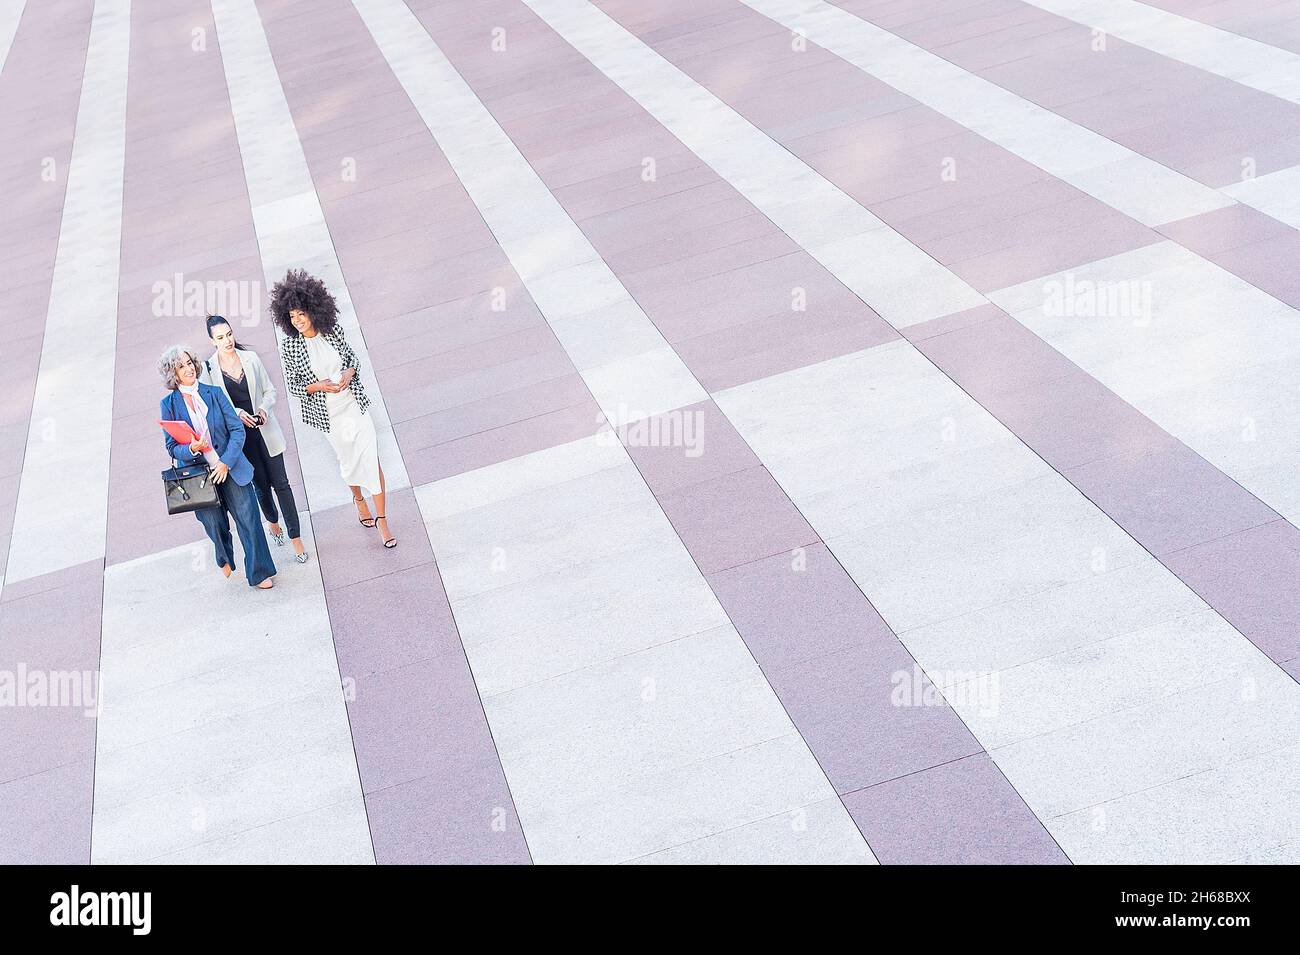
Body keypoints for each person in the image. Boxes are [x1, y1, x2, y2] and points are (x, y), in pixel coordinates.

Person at [272, 269, 396, 548]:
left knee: (370, 457)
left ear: (313, 309)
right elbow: (293, 386)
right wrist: (320, 386)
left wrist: (349, 375)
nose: (297, 321)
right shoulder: (291, 347)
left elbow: (353, 359)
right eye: (291, 316)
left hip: (354, 405)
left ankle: (383, 520)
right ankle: (359, 499)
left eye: (300, 314)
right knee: (349, 461)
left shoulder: (332, 330)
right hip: (329, 416)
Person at [159, 345, 276, 589]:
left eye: (190, 362)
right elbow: (171, 447)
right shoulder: (168, 404)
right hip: (198, 475)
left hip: (229, 466)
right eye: (182, 365)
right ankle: (223, 555)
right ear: (173, 373)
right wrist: (191, 448)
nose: (189, 368)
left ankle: (260, 572)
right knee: (214, 522)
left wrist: (225, 462)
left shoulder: (214, 393)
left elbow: (236, 429)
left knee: (249, 519)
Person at [200, 314, 307, 563]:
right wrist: (237, 413)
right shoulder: (209, 370)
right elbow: (214, 406)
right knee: (260, 487)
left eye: (229, 334)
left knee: (282, 483)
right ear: (212, 340)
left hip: (266, 431)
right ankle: (272, 522)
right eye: (220, 337)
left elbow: (270, 390)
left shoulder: (250, 358)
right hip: (241, 440)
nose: (227, 340)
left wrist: (263, 409)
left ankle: (296, 537)